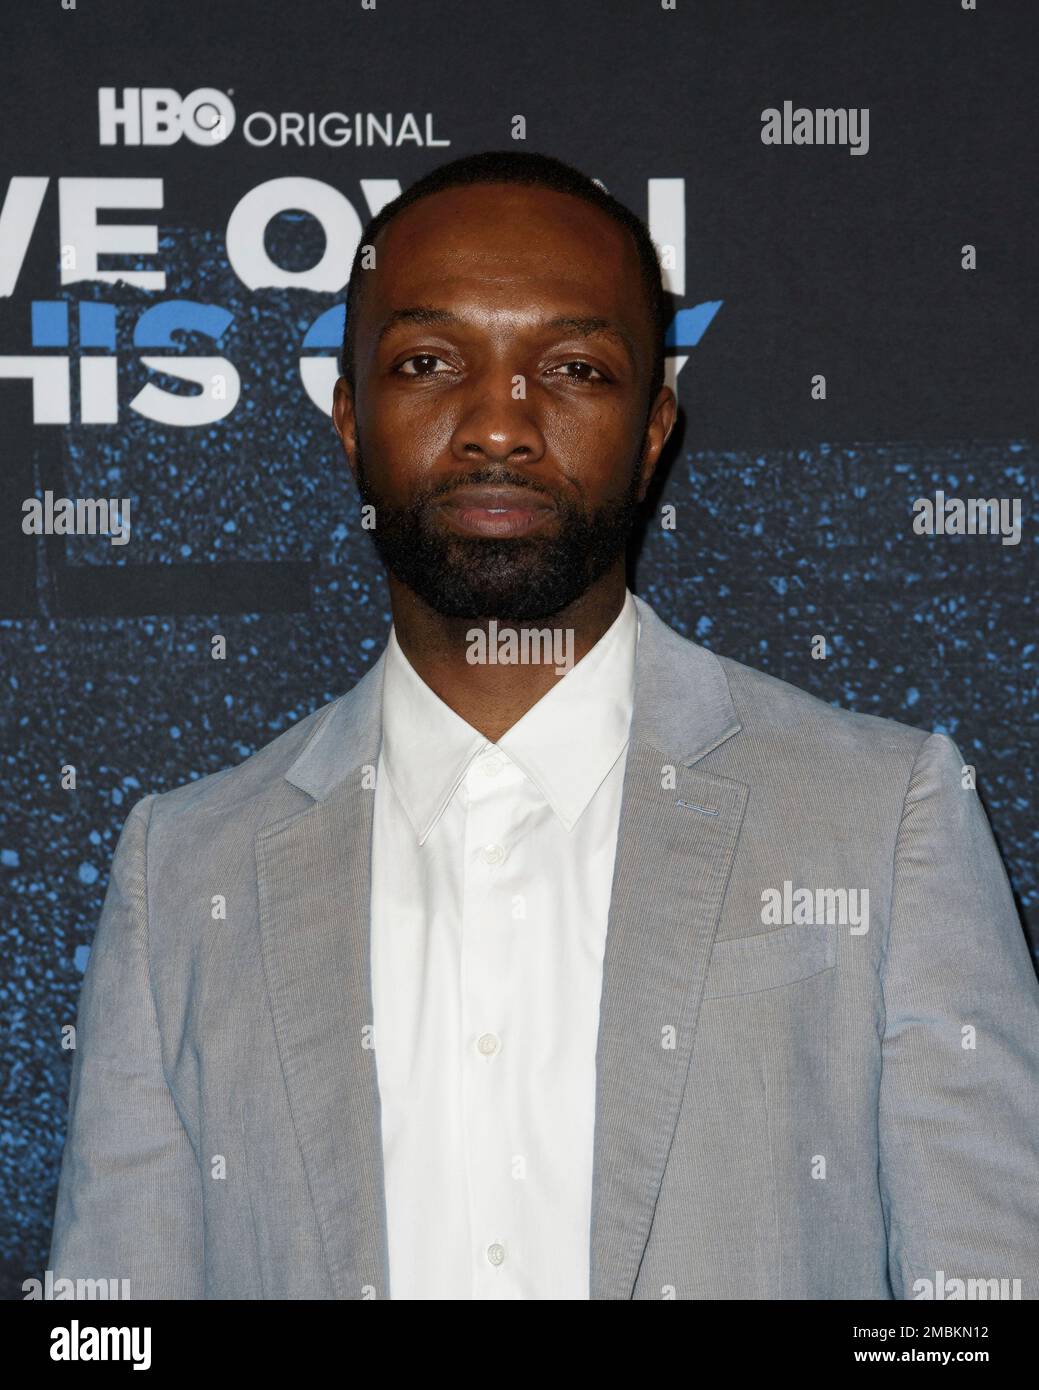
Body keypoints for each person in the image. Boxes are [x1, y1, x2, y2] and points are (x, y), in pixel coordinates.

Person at [49, 150, 1039, 1300]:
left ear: (655, 426)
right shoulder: (182, 871)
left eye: (570, 367)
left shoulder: (885, 815)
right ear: (348, 422)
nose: (499, 425)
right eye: (428, 362)